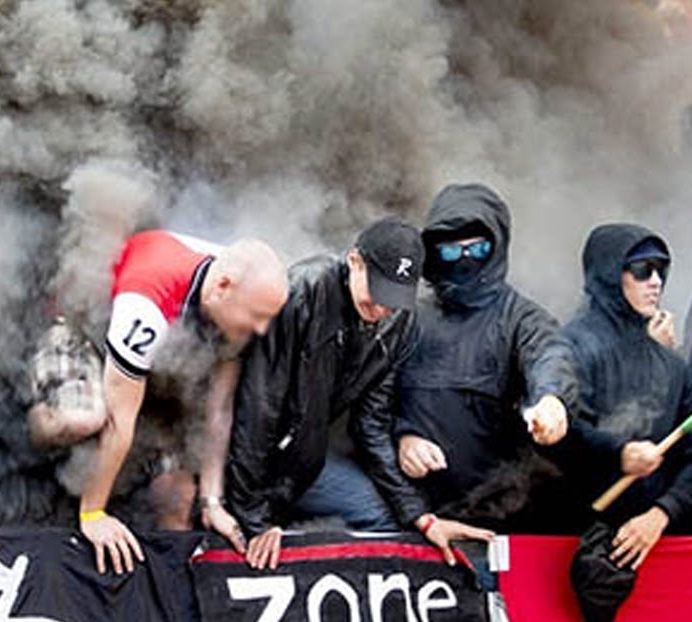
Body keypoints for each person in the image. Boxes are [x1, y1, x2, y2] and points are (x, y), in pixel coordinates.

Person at [202, 218, 495, 570]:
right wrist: (256, 519)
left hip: (305, 466)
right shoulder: (303, 292)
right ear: (355, 261)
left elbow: (372, 425)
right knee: (240, 547)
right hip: (245, 466)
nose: (383, 309)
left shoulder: (399, 322)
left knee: (384, 520)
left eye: (394, 299)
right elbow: (258, 410)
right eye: (378, 292)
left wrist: (421, 517)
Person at [48, 229, 289, 575]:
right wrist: (93, 513)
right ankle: (42, 441)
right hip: (83, 332)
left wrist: (212, 501)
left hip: (149, 368)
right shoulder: (148, 302)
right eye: (257, 317)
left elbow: (218, 410)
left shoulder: (239, 290)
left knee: (177, 498)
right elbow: (120, 419)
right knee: (82, 418)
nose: (263, 329)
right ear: (222, 288)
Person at [393, 183, 574, 527]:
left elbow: (550, 353)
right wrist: (402, 437)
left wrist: (552, 400)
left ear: (497, 245)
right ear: (432, 252)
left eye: (477, 249)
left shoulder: (520, 318)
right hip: (416, 520)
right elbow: (374, 401)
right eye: (451, 252)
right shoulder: (408, 320)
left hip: (496, 515)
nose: (465, 261)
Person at [551, 223, 692, 569]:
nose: (656, 281)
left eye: (661, 269)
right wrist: (619, 453)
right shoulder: (569, 348)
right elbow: (555, 439)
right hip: (578, 547)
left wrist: (663, 512)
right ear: (610, 274)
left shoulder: (672, 365)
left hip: (657, 544)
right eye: (643, 270)